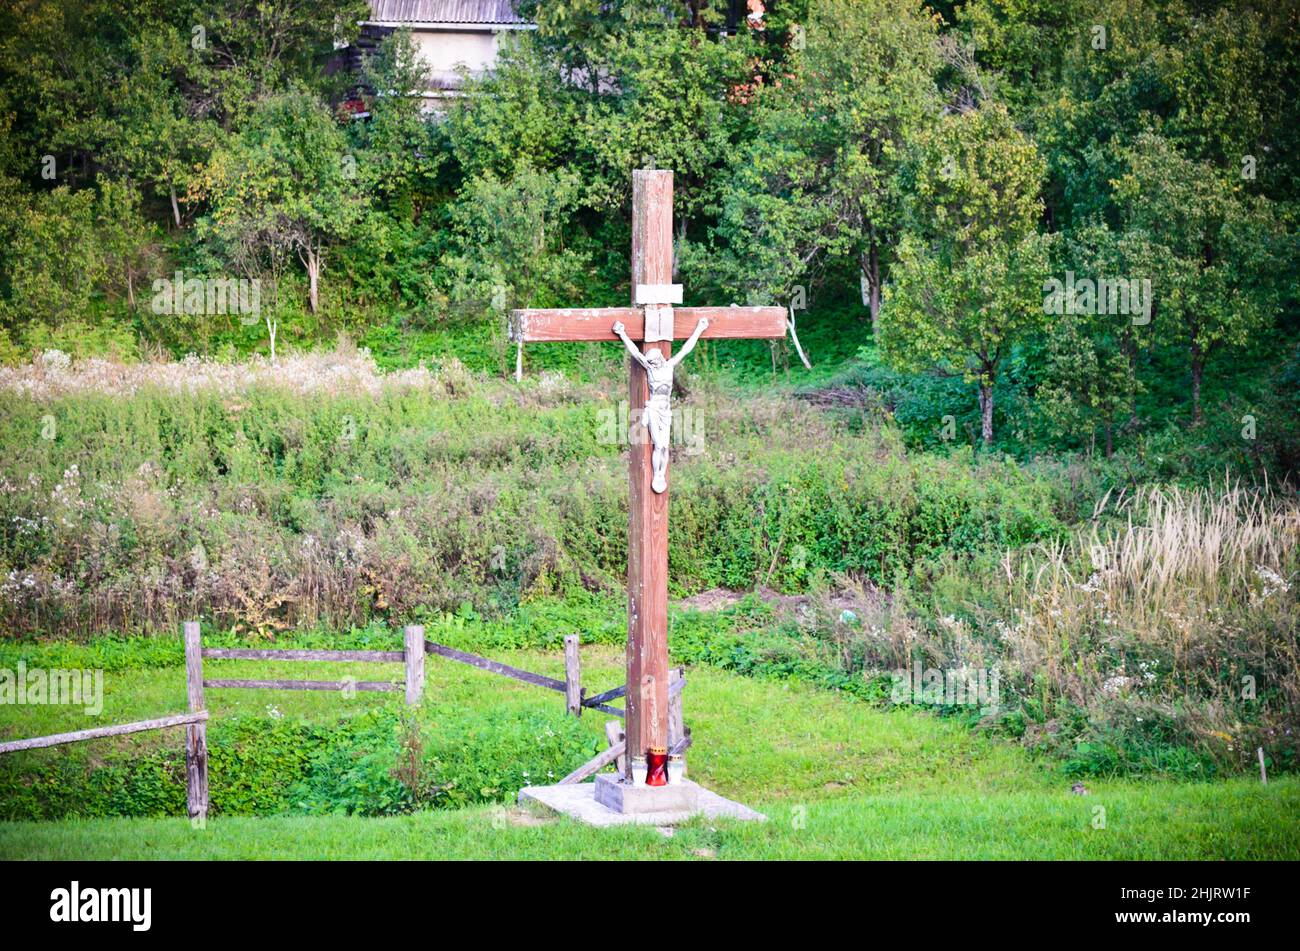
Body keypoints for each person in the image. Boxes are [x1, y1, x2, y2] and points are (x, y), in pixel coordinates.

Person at [612, 317, 709, 493]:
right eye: (650, 362)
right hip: (654, 410)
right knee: (658, 444)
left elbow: (686, 349)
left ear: (660, 359)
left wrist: (699, 329)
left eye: (654, 361)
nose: (651, 364)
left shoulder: (669, 366)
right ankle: (657, 474)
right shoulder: (650, 370)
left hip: (666, 410)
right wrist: (622, 333)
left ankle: (661, 474)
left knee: (664, 446)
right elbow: (635, 353)